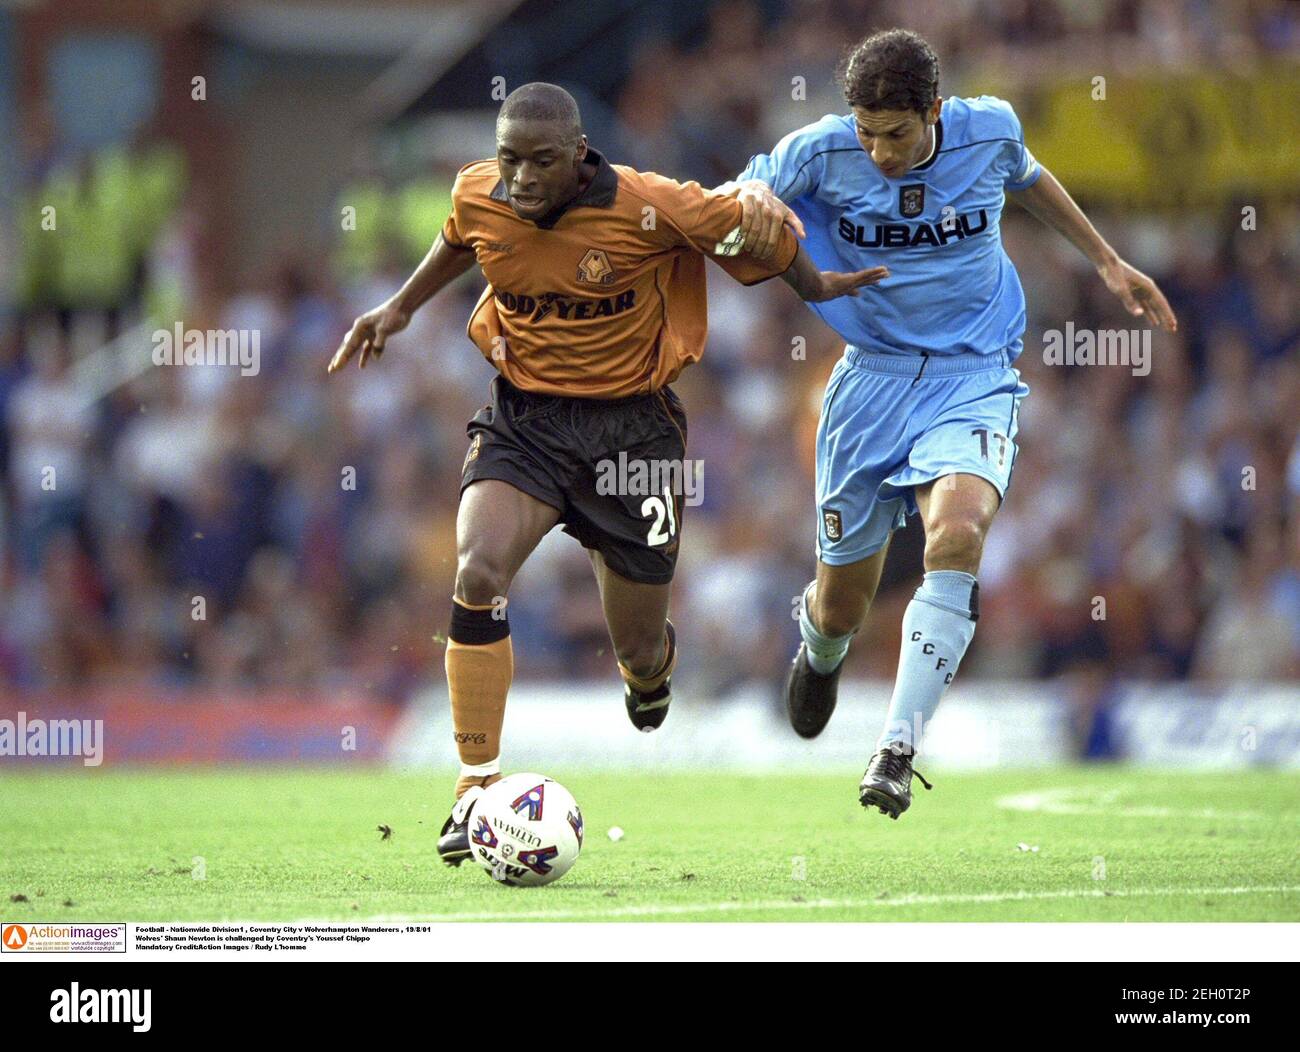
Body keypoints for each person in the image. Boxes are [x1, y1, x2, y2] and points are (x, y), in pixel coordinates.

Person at [328, 82, 887, 863]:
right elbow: (461, 236)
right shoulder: (479, 192)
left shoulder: (649, 206)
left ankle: (649, 674)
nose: (520, 177)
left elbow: (747, 226)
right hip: (526, 421)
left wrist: (816, 283)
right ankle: (472, 788)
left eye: (541, 162)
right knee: (477, 569)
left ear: (580, 155)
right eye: (509, 158)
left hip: (635, 437)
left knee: (638, 644)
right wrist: (400, 306)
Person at [723, 29, 1177, 818]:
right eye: (866, 132)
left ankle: (897, 749)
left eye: (895, 134)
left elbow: (1032, 180)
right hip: (871, 386)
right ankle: (821, 649)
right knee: (842, 608)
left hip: (975, 375)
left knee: (958, 534)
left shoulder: (989, 129)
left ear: (933, 110)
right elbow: (738, 200)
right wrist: (753, 201)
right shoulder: (819, 152)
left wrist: (1106, 259)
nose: (879, 151)